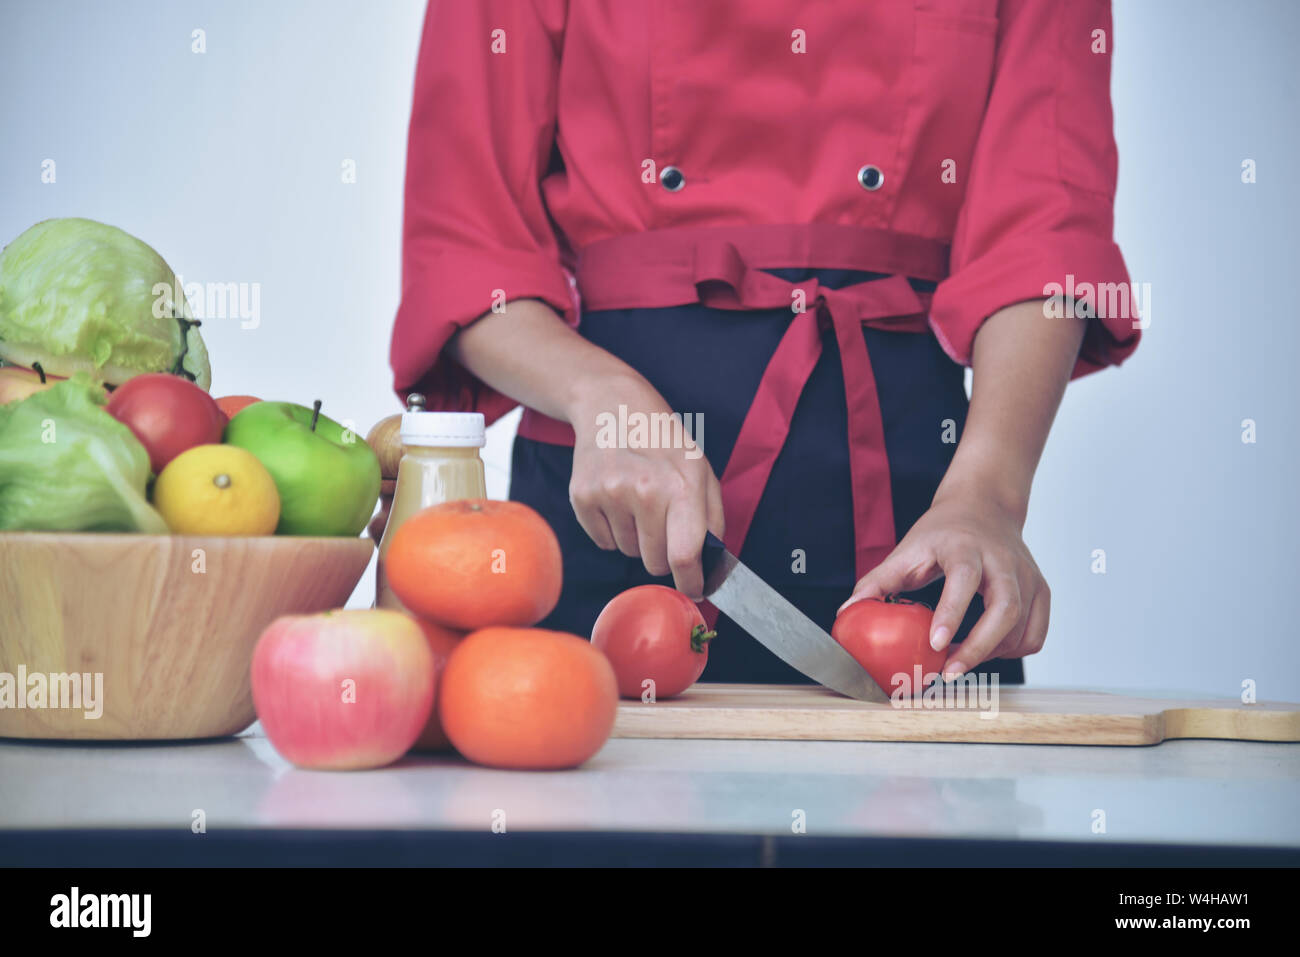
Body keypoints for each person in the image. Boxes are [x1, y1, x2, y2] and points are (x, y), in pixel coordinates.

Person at [389, 0, 1140, 685]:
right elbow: (463, 247)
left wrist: (989, 494)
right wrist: (601, 398)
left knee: (931, 822)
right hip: (613, 514)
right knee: (589, 816)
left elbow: (1045, 228)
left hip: (923, 537)